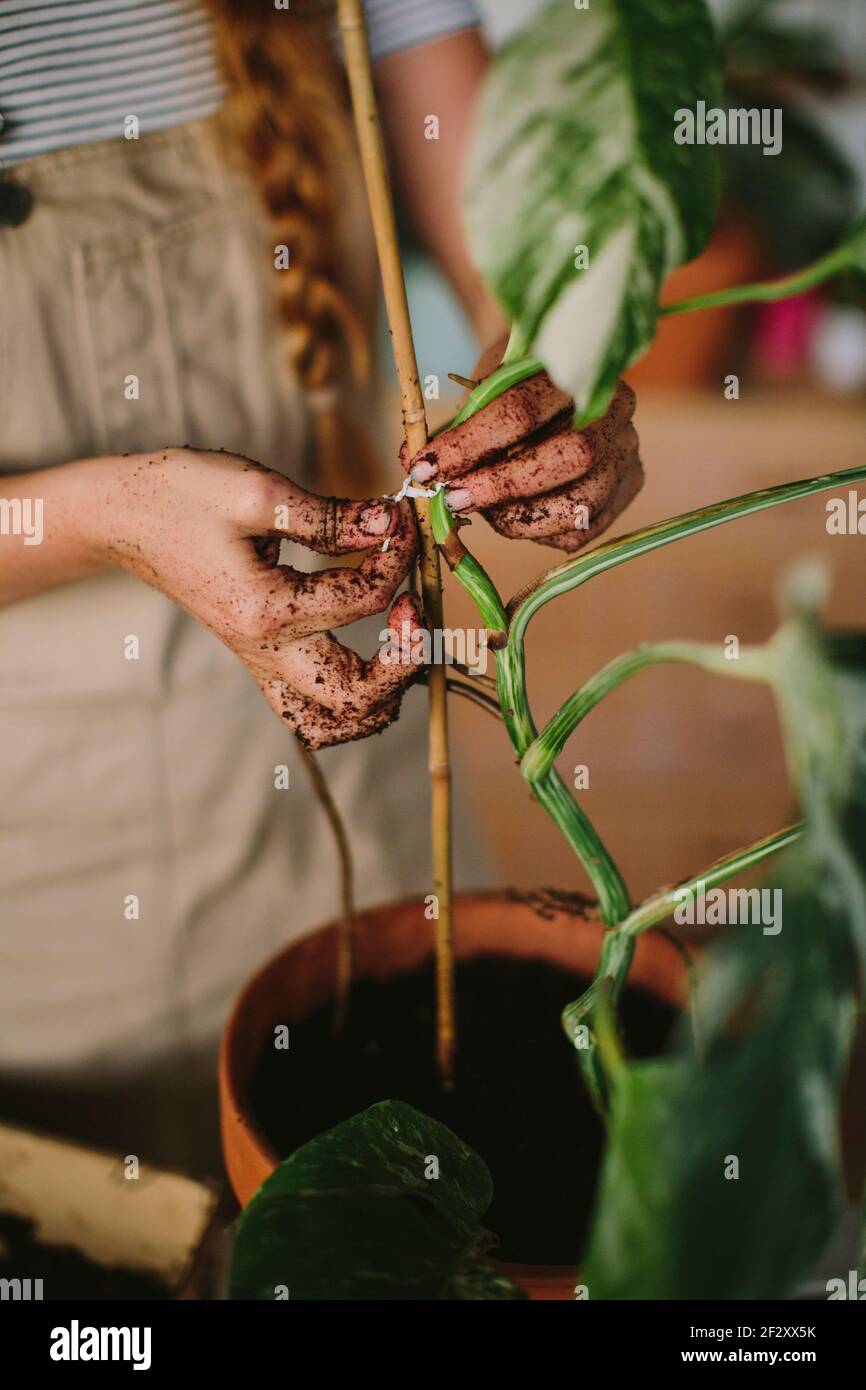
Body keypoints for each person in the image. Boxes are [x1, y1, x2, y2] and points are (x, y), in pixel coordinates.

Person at [0, 0, 642, 1172]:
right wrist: (100, 519)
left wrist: (564, 357)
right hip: (42, 885)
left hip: (379, 785)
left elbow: (524, 232)